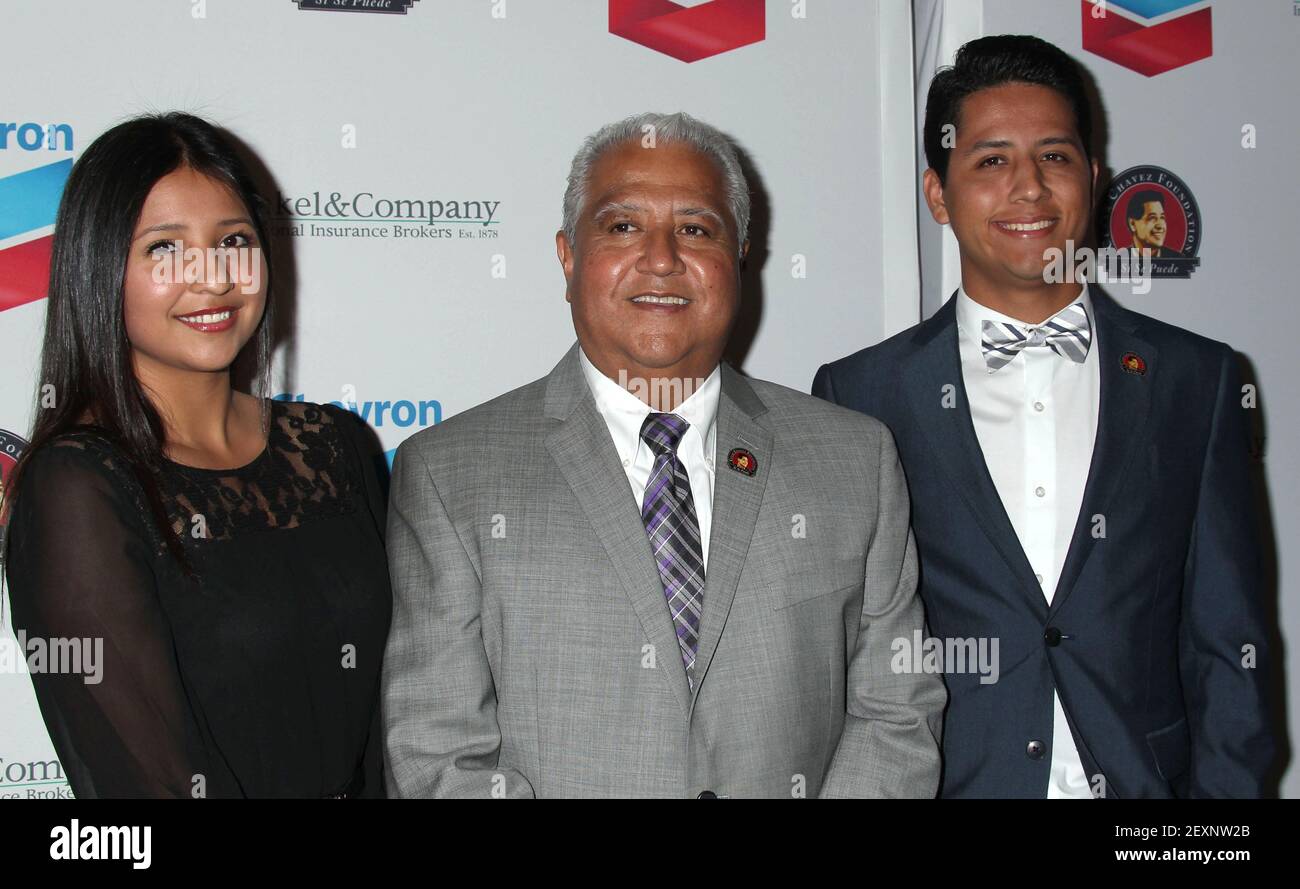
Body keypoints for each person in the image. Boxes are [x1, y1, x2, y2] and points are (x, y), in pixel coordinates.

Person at [382, 111, 945, 798]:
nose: (660, 257)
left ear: (739, 256)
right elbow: (435, 751)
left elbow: (896, 709)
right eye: (622, 226)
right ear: (567, 256)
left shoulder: (855, 459)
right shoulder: (450, 474)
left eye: (696, 229)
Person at [814, 35, 1274, 798]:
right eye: (990, 160)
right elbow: (842, 657)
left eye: (1054, 157)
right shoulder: (862, 394)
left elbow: (1232, 645)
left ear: (1094, 180)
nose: (1028, 187)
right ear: (938, 193)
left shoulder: (1197, 380)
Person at [3, 112, 391, 798]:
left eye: (234, 241)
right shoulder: (77, 487)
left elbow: (400, 713)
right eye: (164, 248)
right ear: (100, 269)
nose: (212, 278)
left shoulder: (337, 447)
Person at [1125, 190, 1186, 258]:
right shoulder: (1116, 263)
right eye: (1152, 218)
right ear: (1132, 224)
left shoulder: (1178, 261)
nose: (1160, 226)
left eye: (1162, 217)